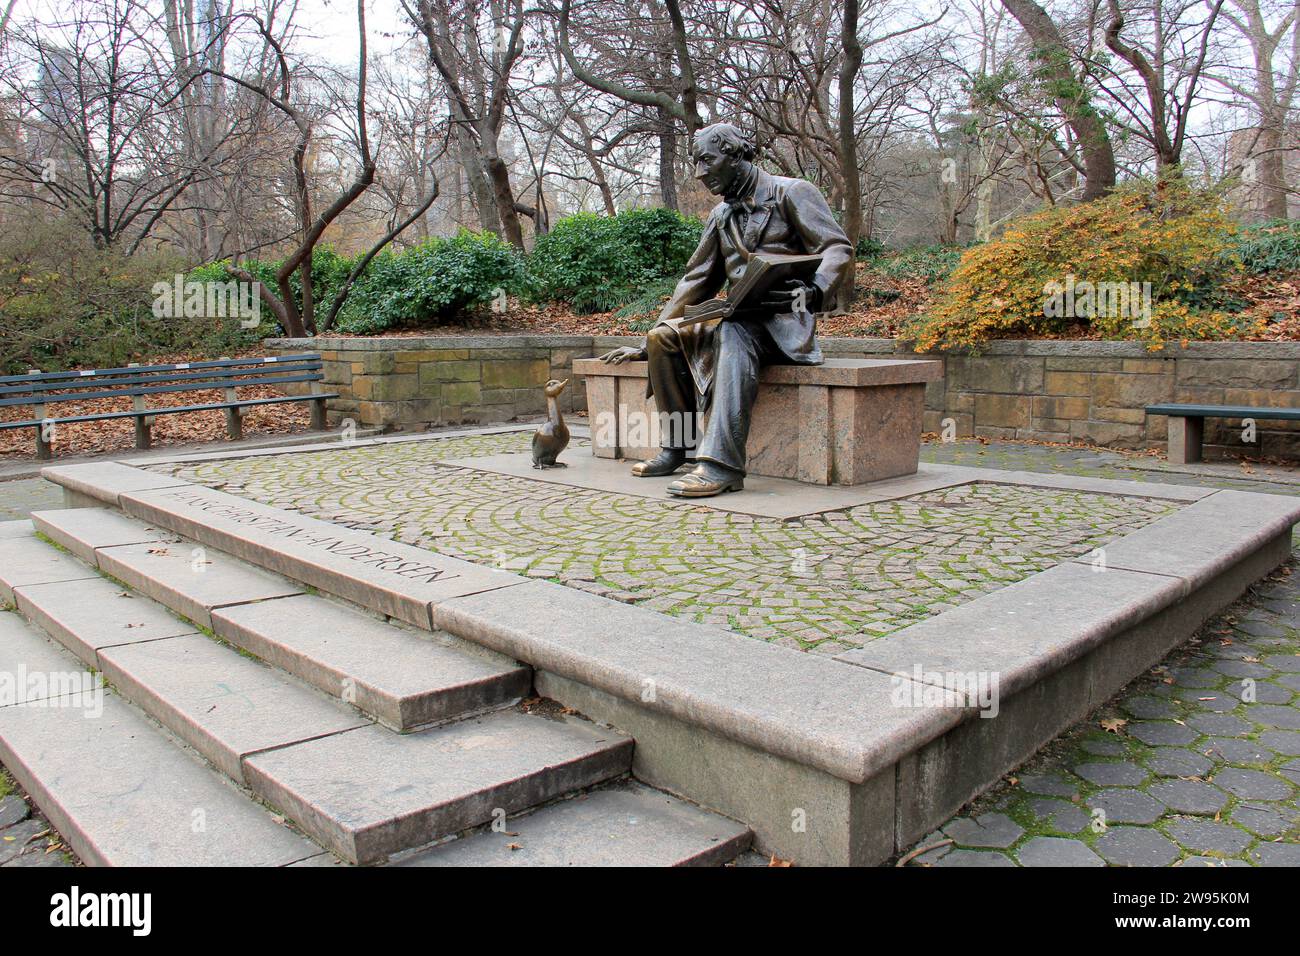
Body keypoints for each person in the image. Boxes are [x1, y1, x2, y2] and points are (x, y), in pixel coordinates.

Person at [598, 122, 853, 497]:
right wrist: (646, 341)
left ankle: (721, 466)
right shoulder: (720, 215)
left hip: (783, 322)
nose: (700, 173)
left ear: (735, 156)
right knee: (662, 340)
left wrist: (815, 291)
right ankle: (678, 447)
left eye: (707, 161)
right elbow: (695, 281)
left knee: (732, 331)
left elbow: (837, 248)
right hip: (737, 314)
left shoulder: (792, 192)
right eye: (696, 164)